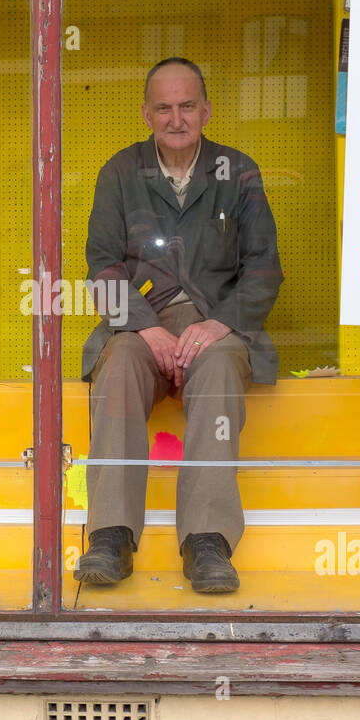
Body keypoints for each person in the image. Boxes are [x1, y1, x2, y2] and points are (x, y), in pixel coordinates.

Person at [75, 57, 283, 594]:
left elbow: (263, 269)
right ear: (146, 113)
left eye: (187, 105)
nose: (175, 118)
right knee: (117, 366)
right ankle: (110, 535)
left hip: (215, 326)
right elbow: (102, 263)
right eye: (163, 107)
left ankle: (207, 541)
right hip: (142, 327)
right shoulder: (120, 172)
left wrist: (220, 324)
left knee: (216, 371)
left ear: (206, 110)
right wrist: (144, 328)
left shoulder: (239, 172)